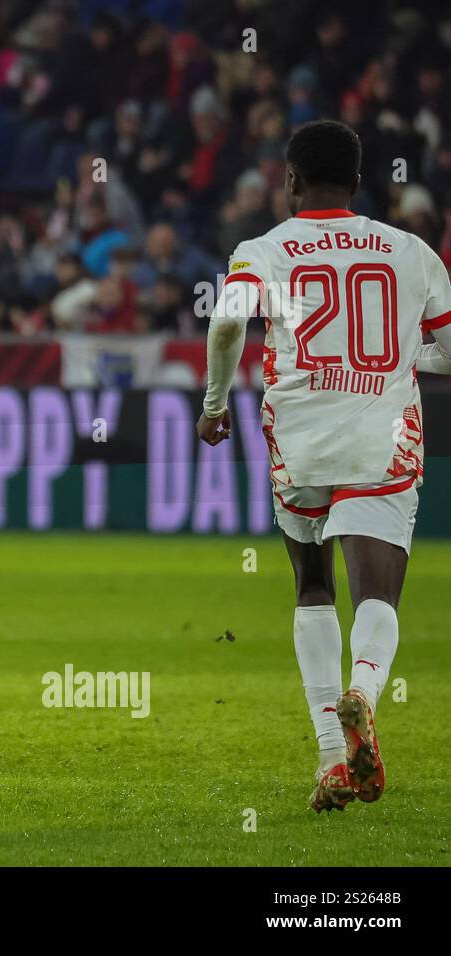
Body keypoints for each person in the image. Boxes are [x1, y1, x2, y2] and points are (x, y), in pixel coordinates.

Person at [198, 119, 451, 811]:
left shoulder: (263, 249)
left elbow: (227, 323)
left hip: (299, 439)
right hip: (380, 437)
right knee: (378, 596)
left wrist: (214, 405)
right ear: (360, 182)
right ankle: (362, 691)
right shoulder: (410, 250)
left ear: (290, 180)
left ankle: (332, 756)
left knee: (313, 585)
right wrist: (402, 356)